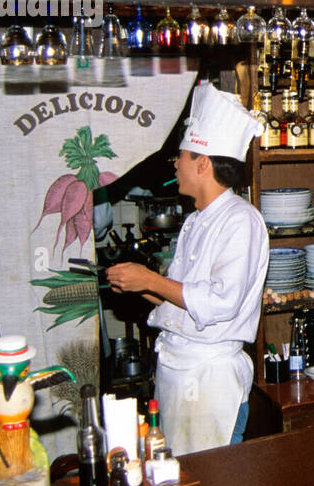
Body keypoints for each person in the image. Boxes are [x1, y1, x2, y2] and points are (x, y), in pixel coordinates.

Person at [107, 82, 266, 456]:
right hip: (177, 370)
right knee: (174, 478)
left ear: (203, 163)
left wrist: (150, 279)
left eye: (180, 156)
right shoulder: (196, 220)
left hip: (210, 380)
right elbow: (182, 299)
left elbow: (218, 304)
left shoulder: (241, 220)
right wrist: (138, 287)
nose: (175, 165)